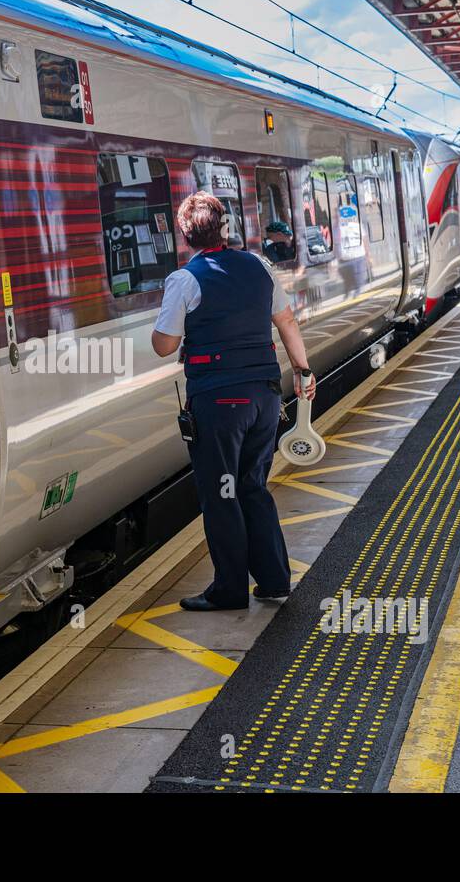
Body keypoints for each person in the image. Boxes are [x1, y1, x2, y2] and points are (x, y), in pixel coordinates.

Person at [151, 192, 315, 611]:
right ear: (224, 228)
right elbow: (286, 321)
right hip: (264, 396)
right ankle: (276, 579)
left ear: (185, 236)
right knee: (253, 487)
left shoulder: (185, 279)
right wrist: (302, 370)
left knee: (221, 494)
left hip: (219, 404)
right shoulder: (259, 266)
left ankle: (228, 589)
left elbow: (164, 346)